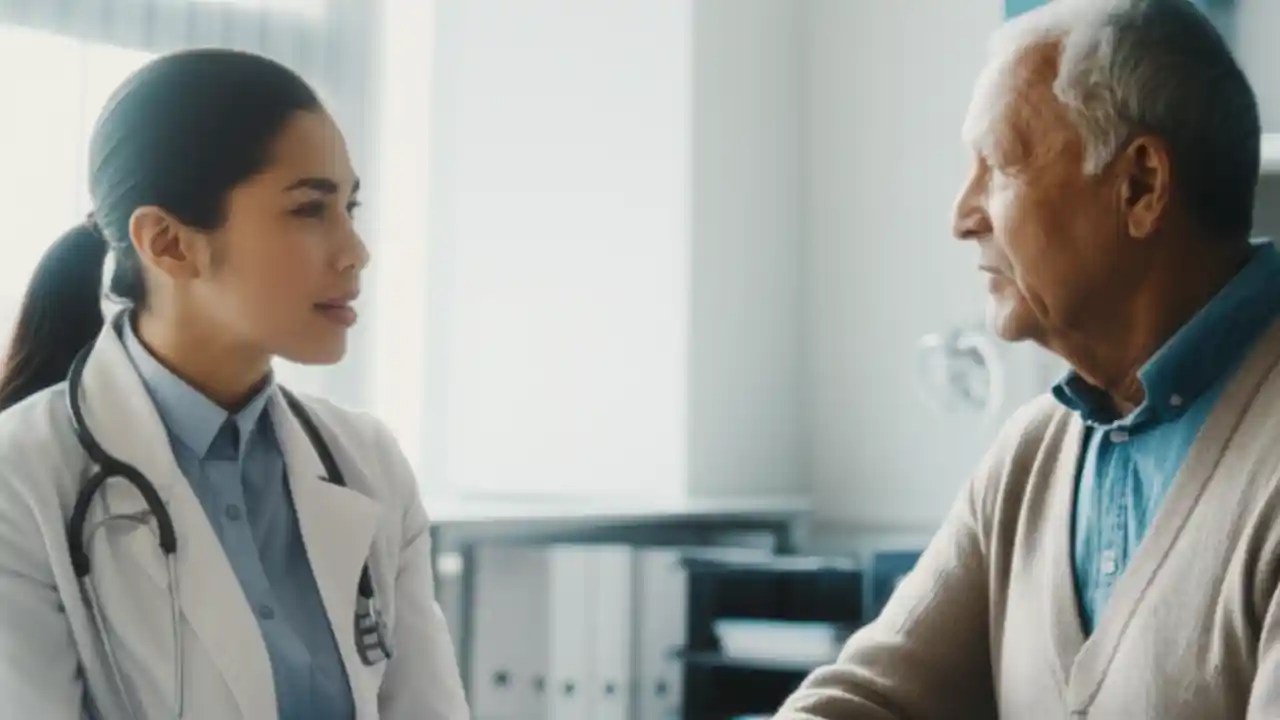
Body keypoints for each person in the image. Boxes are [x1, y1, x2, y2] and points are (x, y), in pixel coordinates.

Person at [776, 0, 1280, 717]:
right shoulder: (1032, 453)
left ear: (1139, 186)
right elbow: (867, 699)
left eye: (1000, 167)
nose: (962, 215)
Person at [0, 48, 469, 719]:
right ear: (167, 242)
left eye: (350, 209)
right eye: (310, 210)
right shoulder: (21, 478)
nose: (355, 251)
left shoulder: (367, 464)